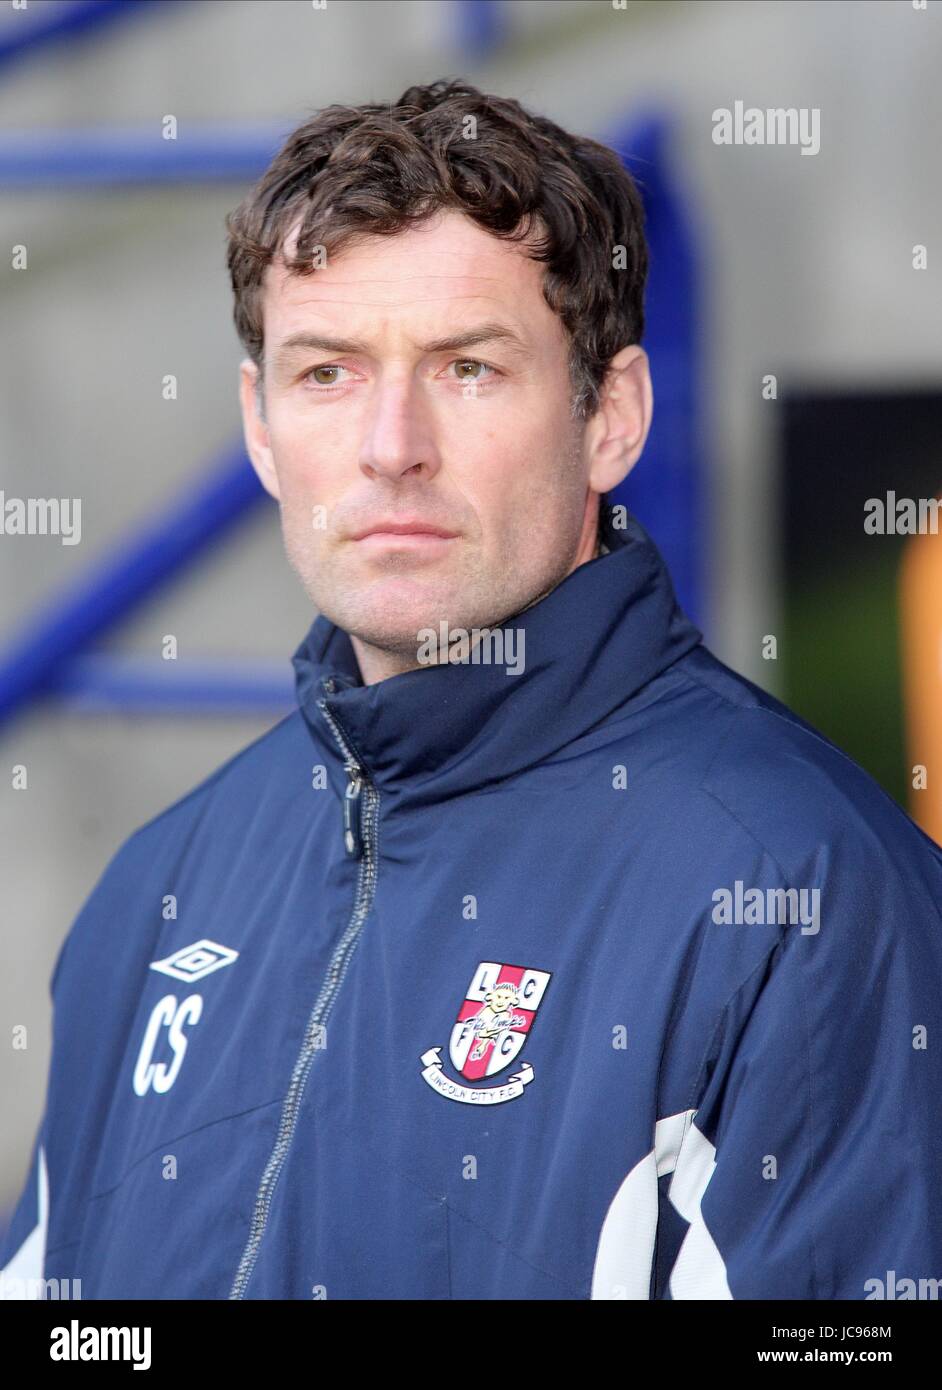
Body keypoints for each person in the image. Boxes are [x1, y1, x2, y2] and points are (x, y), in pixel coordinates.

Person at [2, 78, 941, 1302]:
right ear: (260, 427)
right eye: (328, 373)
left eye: (468, 368)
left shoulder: (805, 896)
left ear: (613, 417)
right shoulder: (159, 889)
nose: (392, 445)